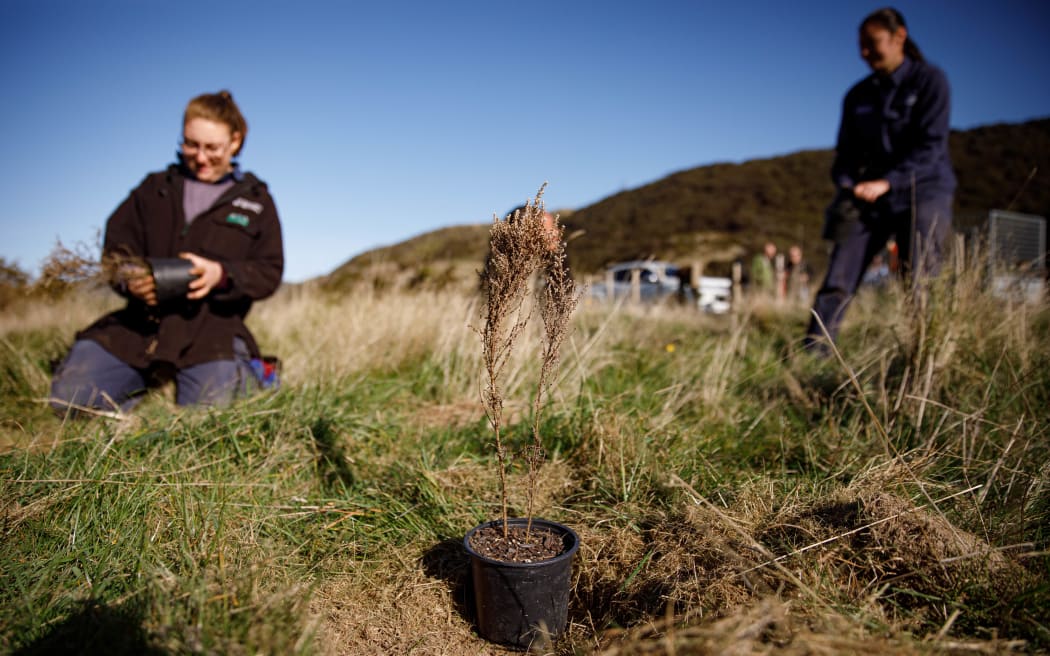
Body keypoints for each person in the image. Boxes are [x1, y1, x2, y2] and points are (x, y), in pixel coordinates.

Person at [50, 91, 284, 415]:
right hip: (141, 325)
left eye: (212, 148)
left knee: (206, 420)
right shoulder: (154, 188)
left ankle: (252, 374)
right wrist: (129, 277)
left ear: (235, 141)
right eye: (191, 144)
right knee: (69, 401)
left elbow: (270, 270)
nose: (200, 157)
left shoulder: (257, 201)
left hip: (213, 331)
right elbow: (116, 247)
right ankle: (147, 377)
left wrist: (221, 275)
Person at [804, 7, 955, 351]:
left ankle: (924, 352)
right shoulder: (857, 96)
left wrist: (889, 181)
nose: (864, 52)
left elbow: (931, 147)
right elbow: (844, 155)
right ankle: (815, 351)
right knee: (839, 273)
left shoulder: (930, 82)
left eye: (872, 43)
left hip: (922, 189)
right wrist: (848, 184)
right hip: (868, 198)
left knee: (919, 277)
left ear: (899, 37)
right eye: (860, 45)